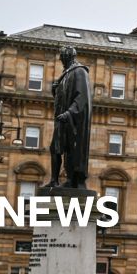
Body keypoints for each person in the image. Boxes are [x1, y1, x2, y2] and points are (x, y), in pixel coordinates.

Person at [43, 46, 92, 189]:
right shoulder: (65, 74)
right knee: (55, 148)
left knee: (72, 149)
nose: (61, 61)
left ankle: (72, 179)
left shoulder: (79, 71)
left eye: (63, 58)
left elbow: (81, 96)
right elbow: (64, 96)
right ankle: (54, 180)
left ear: (69, 57)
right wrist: (56, 89)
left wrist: (70, 113)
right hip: (61, 118)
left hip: (73, 119)